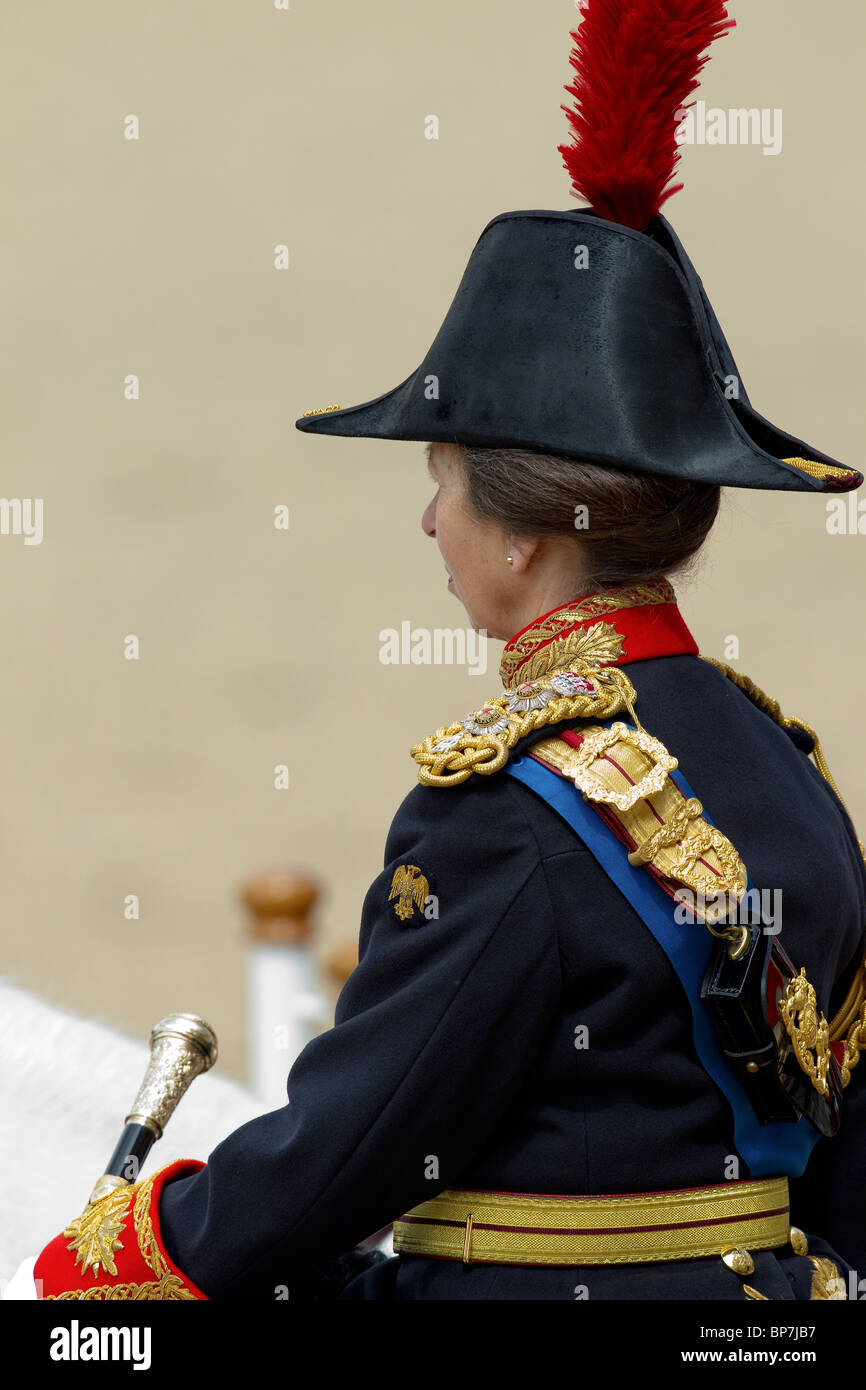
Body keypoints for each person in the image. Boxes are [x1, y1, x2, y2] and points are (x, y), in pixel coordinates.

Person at [34, 0, 865, 1301]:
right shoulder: (777, 758)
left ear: (528, 536)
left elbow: (353, 1145)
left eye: (446, 483)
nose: (432, 519)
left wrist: (138, 1256)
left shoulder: (507, 810)